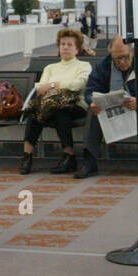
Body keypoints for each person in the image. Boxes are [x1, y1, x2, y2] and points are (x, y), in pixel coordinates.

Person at [81, 37, 138, 179]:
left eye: (125, 57)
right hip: (111, 107)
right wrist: (93, 102)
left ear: (132, 52)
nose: (122, 62)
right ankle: (90, 162)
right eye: (117, 59)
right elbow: (90, 91)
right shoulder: (103, 66)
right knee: (93, 112)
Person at [20, 28, 90, 175]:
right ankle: (27, 156)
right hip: (49, 105)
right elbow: (39, 88)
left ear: (77, 49)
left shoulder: (83, 66)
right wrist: (60, 85)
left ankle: (69, 155)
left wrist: (52, 85)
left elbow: (77, 85)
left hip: (76, 105)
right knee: (35, 112)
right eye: (63, 44)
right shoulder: (50, 68)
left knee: (61, 111)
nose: (65, 47)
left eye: (69, 44)